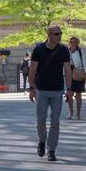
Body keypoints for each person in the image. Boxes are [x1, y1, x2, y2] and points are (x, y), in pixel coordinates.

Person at [28, 24, 72, 162]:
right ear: (49, 35)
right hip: (41, 90)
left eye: (60, 33)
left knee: (55, 122)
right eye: (56, 34)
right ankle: (42, 140)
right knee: (41, 121)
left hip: (57, 90)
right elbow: (32, 70)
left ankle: (51, 150)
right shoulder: (39, 49)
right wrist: (31, 88)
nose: (59, 36)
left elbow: (68, 70)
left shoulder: (64, 50)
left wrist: (69, 89)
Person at [65, 36, 86, 120]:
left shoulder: (80, 51)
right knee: (69, 94)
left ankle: (78, 114)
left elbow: (85, 61)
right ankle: (71, 112)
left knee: (78, 95)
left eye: (75, 42)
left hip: (78, 73)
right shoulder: (66, 51)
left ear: (77, 43)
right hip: (69, 74)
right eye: (71, 42)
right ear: (69, 43)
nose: (73, 44)